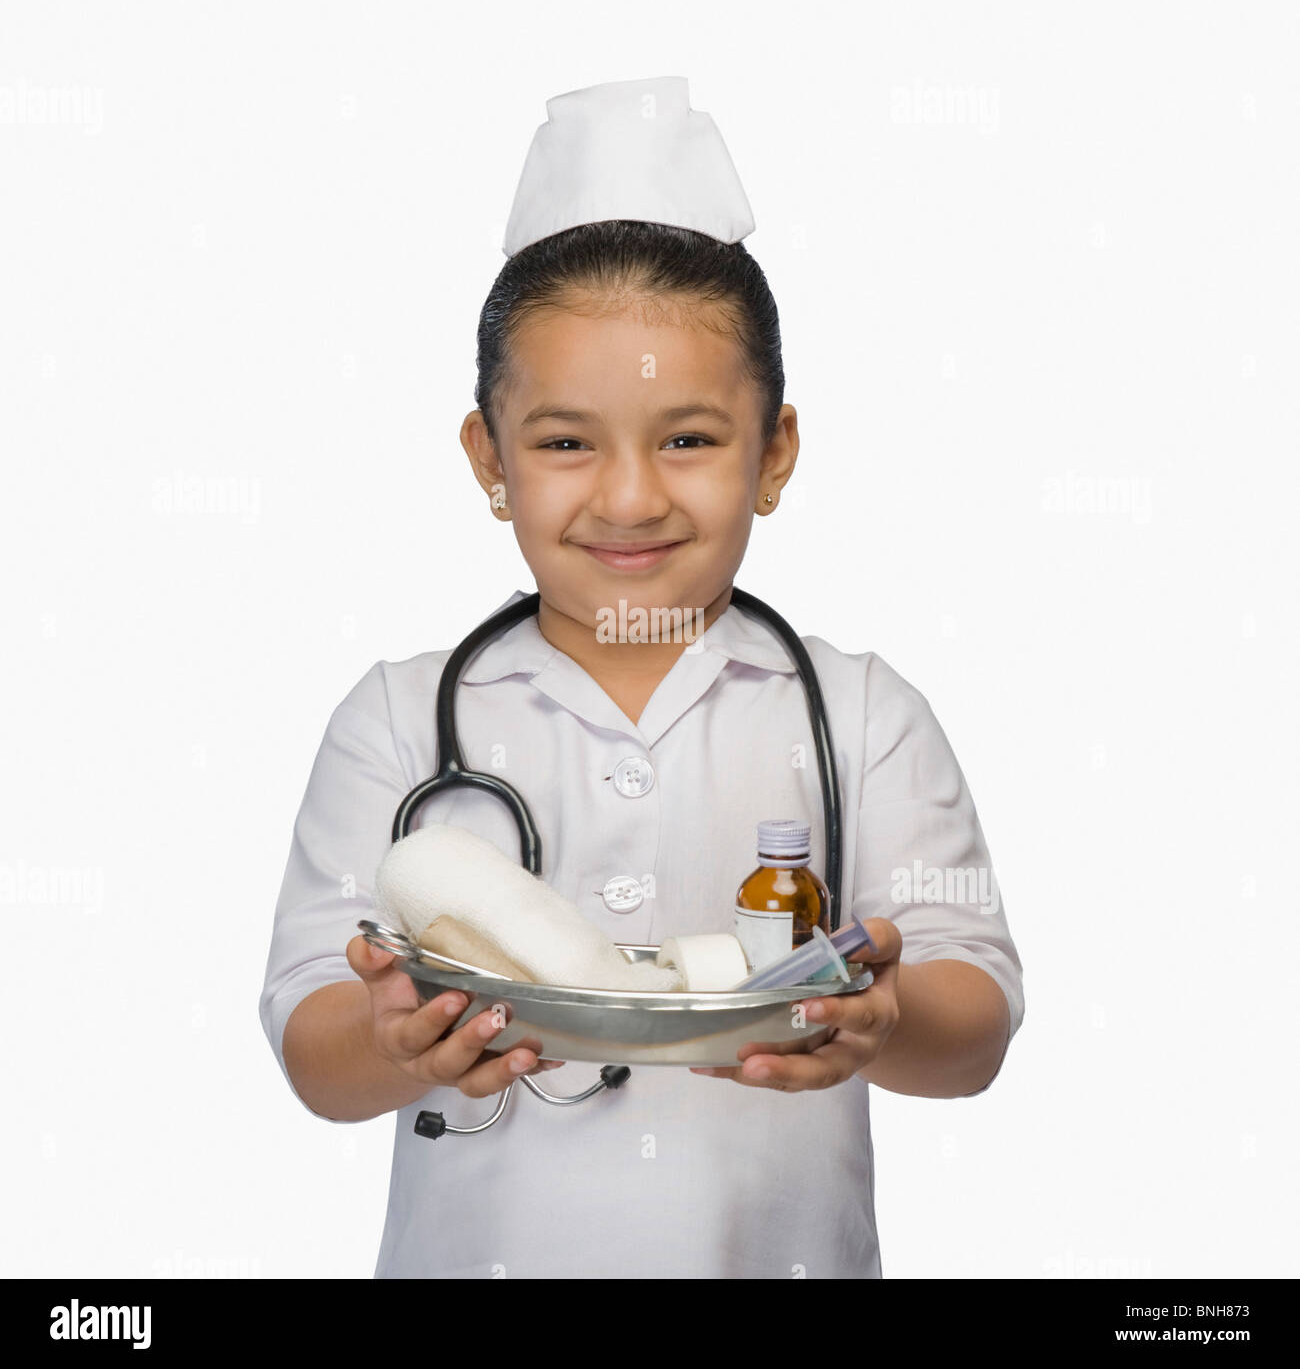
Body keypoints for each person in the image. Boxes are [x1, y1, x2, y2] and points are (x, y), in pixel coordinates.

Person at [258, 76, 1024, 1279]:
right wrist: (395, 1040)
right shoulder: (399, 720)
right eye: (565, 442)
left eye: (688, 437)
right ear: (488, 458)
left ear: (772, 452)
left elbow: (970, 1026)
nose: (627, 497)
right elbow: (315, 1046)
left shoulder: (863, 715)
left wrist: (879, 1018)